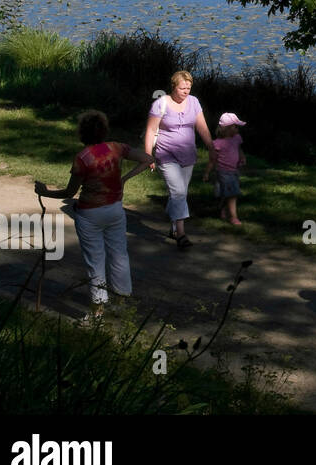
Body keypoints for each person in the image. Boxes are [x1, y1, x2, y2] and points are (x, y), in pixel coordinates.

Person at [35, 110, 154, 318]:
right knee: (119, 255)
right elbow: (147, 158)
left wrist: (45, 192)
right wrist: (124, 179)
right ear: (104, 130)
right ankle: (121, 303)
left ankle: (97, 312)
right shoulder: (117, 148)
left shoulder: (82, 158)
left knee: (95, 261)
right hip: (115, 210)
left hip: (89, 214)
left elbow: (70, 192)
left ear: (82, 133)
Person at [143, 70, 214, 249]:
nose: (186, 91)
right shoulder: (161, 104)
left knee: (180, 192)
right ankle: (181, 234)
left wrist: (211, 147)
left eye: (188, 88)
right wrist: (147, 155)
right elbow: (151, 130)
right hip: (166, 154)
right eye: (182, 88)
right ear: (173, 87)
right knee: (178, 192)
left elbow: (202, 127)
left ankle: (174, 225)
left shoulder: (194, 102)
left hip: (188, 155)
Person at [205, 113, 247, 226]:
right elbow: (212, 160)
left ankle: (223, 210)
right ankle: (233, 217)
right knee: (233, 194)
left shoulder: (237, 138)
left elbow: (238, 149)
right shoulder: (217, 144)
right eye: (235, 126)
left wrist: (242, 157)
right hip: (223, 172)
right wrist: (207, 173)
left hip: (234, 171)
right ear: (227, 128)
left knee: (226, 193)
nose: (238, 129)